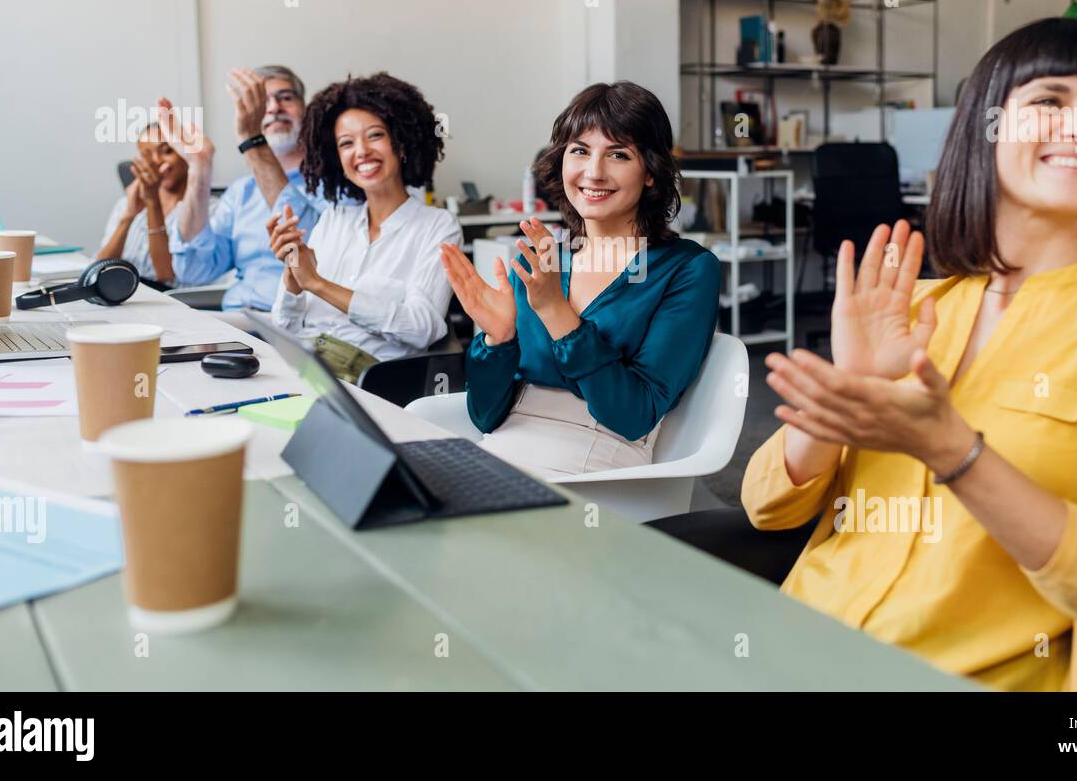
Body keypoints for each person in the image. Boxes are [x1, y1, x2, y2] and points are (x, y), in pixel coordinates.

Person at [691, 17, 1077, 691]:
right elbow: (768, 507)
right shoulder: (912, 304)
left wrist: (957, 453)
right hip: (788, 653)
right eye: (1051, 101)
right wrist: (845, 394)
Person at [439, 81, 721, 481]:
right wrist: (496, 342)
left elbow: (633, 415)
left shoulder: (688, 269)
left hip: (595, 471)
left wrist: (555, 311)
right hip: (501, 454)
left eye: (619, 154)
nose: (594, 172)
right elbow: (484, 417)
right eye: (580, 151)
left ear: (652, 173)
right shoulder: (541, 258)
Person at [264, 73, 462, 371]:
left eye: (375, 135)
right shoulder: (333, 219)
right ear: (337, 158)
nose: (361, 151)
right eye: (346, 143)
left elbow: (422, 328)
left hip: (368, 383)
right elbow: (285, 326)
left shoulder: (438, 226)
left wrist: (318, 284)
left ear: (402, 143)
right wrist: (293, 278)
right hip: (301, 367)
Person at [159, 64, 330, 312]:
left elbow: (311, 250)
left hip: (297, 323)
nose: (273, 108)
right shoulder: (241, 191)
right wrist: (199, 167)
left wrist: (251, 141)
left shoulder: (337, 183)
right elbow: (194, 269)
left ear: (306, 110)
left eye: (286, 98)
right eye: (263, 102)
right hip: (237, 320)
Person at [97, 123, 205, 287]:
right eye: (147, 156)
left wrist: (153, 202)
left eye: (167, 151)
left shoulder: (204, 210)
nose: (157, 161)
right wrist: (129, 215)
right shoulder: (126, 204)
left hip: (168, 300)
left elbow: (165, 275)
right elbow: (100, 267)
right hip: (123, 293)